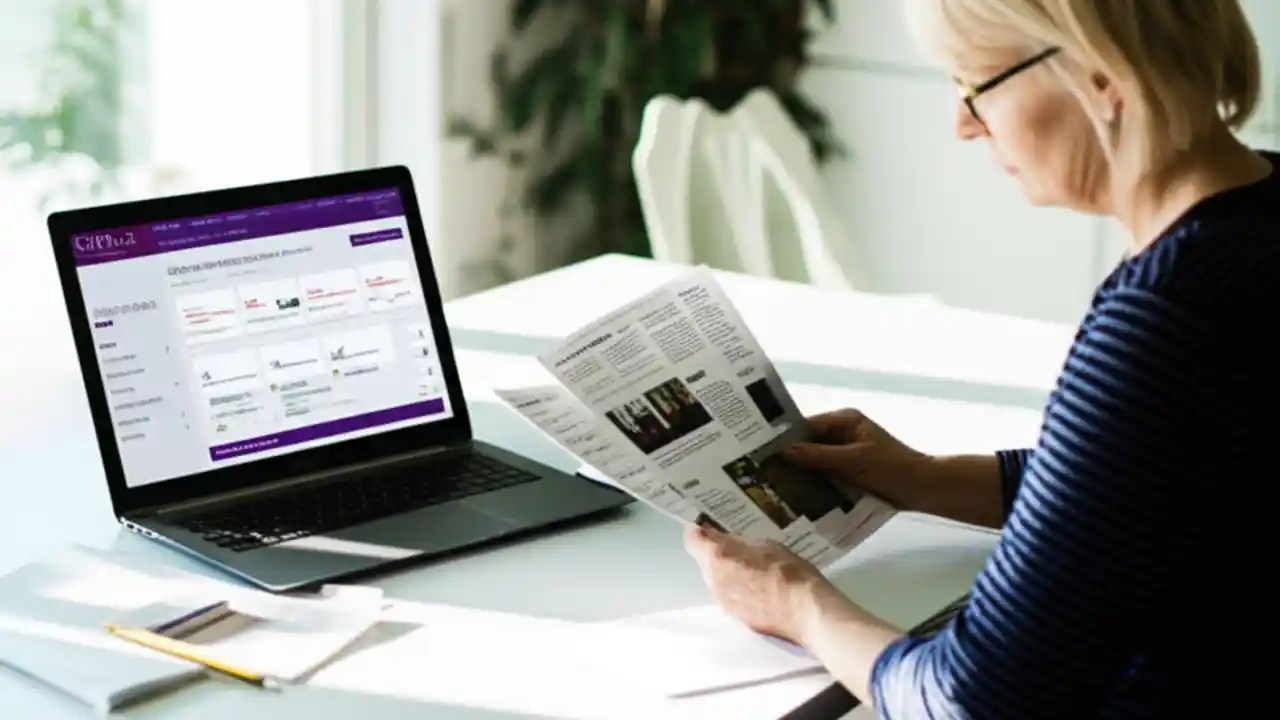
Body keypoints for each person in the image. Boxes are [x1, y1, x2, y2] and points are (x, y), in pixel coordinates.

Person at [682, 1, 1276, 717]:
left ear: (1099, 76)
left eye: (975, 85)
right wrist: (926, 480)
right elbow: (1159, 477)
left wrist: (796, 603)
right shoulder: (1249, 226)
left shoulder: (1165, 315)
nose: (963, 123)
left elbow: (975, 699)